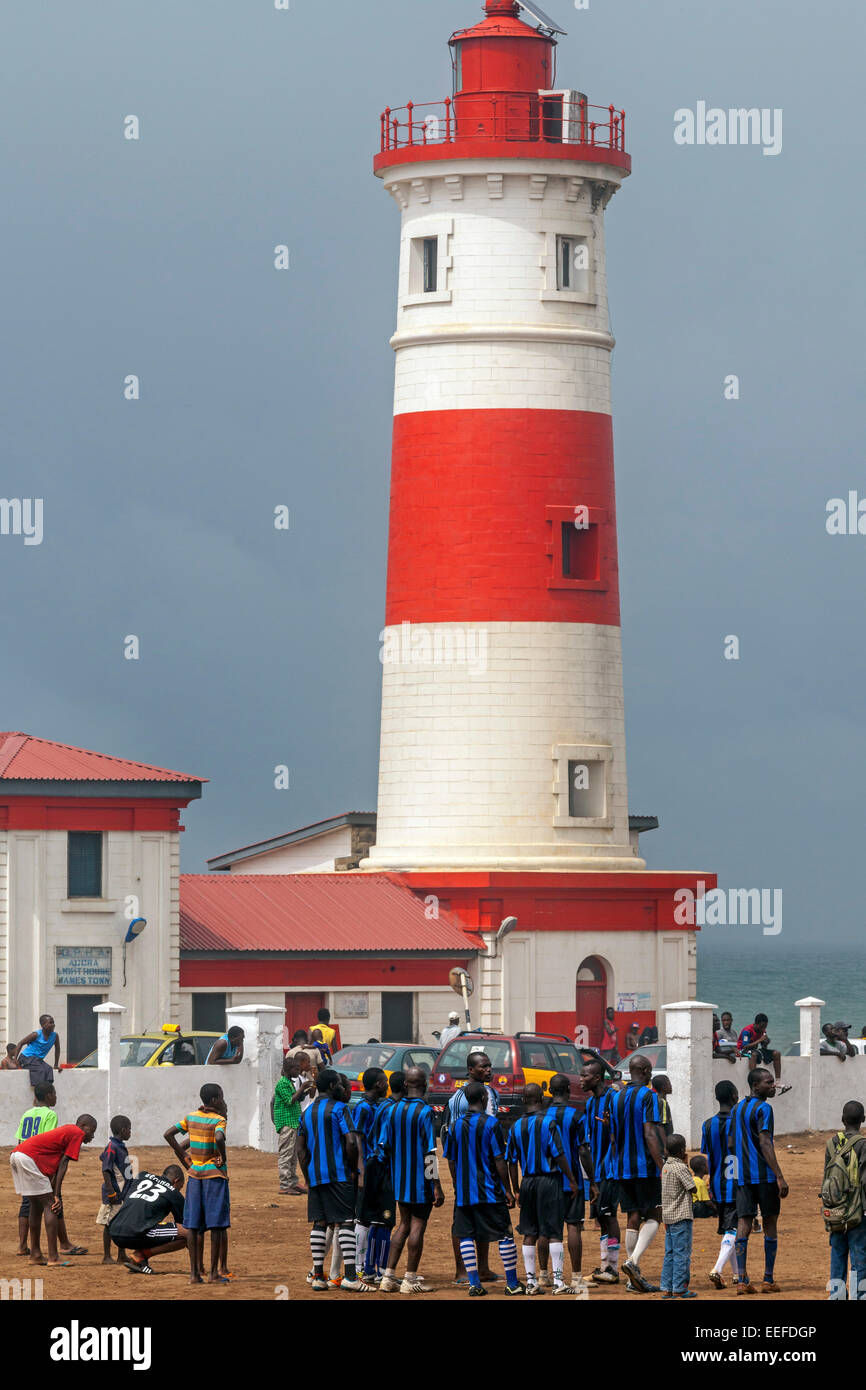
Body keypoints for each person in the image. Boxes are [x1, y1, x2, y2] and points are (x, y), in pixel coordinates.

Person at [442, 1080, 524, 1296]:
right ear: (483, 1098)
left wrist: (457, 1184)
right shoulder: (491, 1124)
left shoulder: (455, 1126)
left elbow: (451, 1160)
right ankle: (512, 1283)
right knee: (505, 1235)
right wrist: (507, 1189)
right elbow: (499, 1159)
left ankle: (475, 1284)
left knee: (466, 1235)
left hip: (465, 1192)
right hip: (490, 1191)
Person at [297, 1067, 372, 1292]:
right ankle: (350, 1276)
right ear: (332, 1086)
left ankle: (318, 1276)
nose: (341, 1087)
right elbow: (351, 1142)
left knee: (319, 1223)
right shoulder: (340, 1108)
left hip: (316, 1175)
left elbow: (300, 1151)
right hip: (339, 1174)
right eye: (339, 1083)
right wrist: (353, 1169)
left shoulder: (306, 1112)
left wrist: (308, 1177)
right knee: (346, 1221)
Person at [505, 1082, 576, 1296]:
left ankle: (531, 1282)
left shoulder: (515, 1126)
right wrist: (571, 1179)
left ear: (523, 1100)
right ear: (542, 1099)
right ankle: (558, 1282)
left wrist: (516, 1188)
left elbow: (511, 1161)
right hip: (549, 1181)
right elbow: (559, 1154)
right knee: (553, 1231)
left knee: (529, 1232)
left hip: (527, 1182)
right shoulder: (549, 1122)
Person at [379, 1066, 444, 1293]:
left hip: (400, 1180)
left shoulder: (392, 1110)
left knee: (404, 1225)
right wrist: (436, 1185)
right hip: (420, 1182)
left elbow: (384, 1146)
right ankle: (409, 1279)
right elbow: (429, 1152)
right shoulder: (425, 1112)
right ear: (425, 1085)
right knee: (418, 1225)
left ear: (405, 1084)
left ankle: (388, 1276)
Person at [608, 1053, 665, 1294]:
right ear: (644, 1071)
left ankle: (633, 1280)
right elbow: (650, 1133)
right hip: (644, 1166)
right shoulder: (648, 1095)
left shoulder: (616, 1097)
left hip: (622, 1166)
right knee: (655, 1214)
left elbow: (612, 1136)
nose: (651, 1074)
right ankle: (633, 1261)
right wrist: (662, 1166)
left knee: (632, 1216)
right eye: (649, 1070)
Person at [443, 1050, 500, 1285]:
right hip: (467, 1171)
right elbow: (451, 1137)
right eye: (483, 1066)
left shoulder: (492, 1093)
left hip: (487, 1170)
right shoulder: (459, 1099)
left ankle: (483, 1268)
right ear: (470, 1070)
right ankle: (461, 1271)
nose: (488, 1070)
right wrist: (456, 1179)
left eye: (489, 1065)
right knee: (462, 1222)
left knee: (484, 1218)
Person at [165, 1082, 231, 1285]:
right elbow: (219, 1137)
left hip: (194, 1176)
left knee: (193, 1226)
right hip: (214, 1176)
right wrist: (223, 1157)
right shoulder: (219, 1120)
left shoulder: (191, 1117)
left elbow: (168, 1134)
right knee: (217, 1225)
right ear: (215, 1100)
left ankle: (194, 1274)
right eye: (221, 1097)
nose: (223, 1100)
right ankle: (213, 1273)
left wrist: (184, 1156)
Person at [10, 1113, 97, 1266]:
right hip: (28, 1158)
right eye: (92, 1130)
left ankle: (36, 1255)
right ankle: (53, 1257)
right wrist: (56, 1195)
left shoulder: (67, 1132)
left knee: (36, 1205)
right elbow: (64, 1163)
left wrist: (53, 1189)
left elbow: (55, 1166)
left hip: (18, 1155)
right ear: (83, 1126)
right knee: (51, 1205)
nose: (93, 1136)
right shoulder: (77, 1133)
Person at [730, 1067, 788, 1294]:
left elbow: (731, 1143)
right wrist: (779, 1176)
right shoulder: (764, 1108)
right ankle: (768, 1279)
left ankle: (741, 1280)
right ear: (756, 1085)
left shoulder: (737, 1108)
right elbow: (765, 1142)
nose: (773, 1086)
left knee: (743, 1223)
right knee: (770, 1222)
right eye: (769, 1083)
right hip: (764, 1175)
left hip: (743, 1176)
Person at [548, 1071, 596, 1294]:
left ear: (550, 1091)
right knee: (574, 1225)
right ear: (568, 1090)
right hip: (573, 1181)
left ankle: (544, 1275)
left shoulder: (542, 1116)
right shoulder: (577, 1116)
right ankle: (576, 1277)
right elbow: (583, 1151)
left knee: (548, 1229)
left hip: (548, 1180)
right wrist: (592, 1181)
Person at [352, 1067, 396, 1283]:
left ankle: (370, 1266)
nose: (387, 1085)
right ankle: (359, 1266)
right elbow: (357, 1139)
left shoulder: (378, 1106)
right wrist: (361, 1170)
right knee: (363, 1217)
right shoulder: (363, 1107)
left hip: (379, 1167)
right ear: (378, 1084)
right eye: (384, 1081)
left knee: (376, 1218)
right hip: (369, 1167)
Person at [580, 1057, 621, 1284]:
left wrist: (610, 1129)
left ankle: (613, 1268)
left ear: (597, 1078)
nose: (581, 1079)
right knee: (601, 1218)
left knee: (609, 1216)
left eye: (585, 1076)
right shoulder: (590, 1103)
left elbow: (621, 1133)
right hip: (595, 1169)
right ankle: (605, 1265)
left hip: (610, 1168)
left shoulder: (613, 1098)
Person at [108, 1166, 191, 1274]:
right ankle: (140, 1255)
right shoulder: (174, 1193)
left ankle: (140, 1262)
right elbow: (184, 1226)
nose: (179, 1189)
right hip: (135, 1233)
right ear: (176, 1181)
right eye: (180, 1186)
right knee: (187, 1234)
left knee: (150, 1224)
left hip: (114, 1231)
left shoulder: (142, 1176)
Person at [822, 1100, 866, 1300]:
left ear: (842, 1119)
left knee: (837, 1255)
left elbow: (827, 1178)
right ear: (863, 1120)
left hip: (835, 1210)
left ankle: (837, 1296)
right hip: (858, 1211)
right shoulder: (863, 1144)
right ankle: (859, 1296)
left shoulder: (831, 1143)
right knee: (859, 1257)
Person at [702, 1079, 739, 1288]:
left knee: (729, 1228)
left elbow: (708, 1158)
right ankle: (717, 1268)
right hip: (738, 1184)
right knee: (734, 1229)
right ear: (735, 1096)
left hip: (717, 1183)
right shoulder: (740, 1122)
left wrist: (709, 1184)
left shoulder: (708, 1125)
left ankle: (737, 1274)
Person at [660, 1134, 697, 1299]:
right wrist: (686, 1164)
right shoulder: (680, 1167)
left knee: (670, 1253)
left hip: (668, 1216)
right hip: (681, 1216)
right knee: (682, 1254)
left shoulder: (666, 1166)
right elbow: (693, 1188)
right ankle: (680, 1288)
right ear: (682, 1151)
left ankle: (667, 1288)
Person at [272, 1054, 311, 1195]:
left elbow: (296, 1099)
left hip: (293, 1122)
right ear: (288, 1070)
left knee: (293, 1155)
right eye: (296, 1069)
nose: (298, 1072)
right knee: (286, 1154)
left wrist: (305, 1091)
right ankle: (285, 1184)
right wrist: (302, 1088)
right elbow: (290, 1100)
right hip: (287, 1122)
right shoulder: (282, 1083)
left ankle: (292, 1182)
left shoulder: (288, 1082)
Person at [97, 1115, 133, 1264]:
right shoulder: (112, 1147)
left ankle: (121, 1255)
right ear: (123, 1130)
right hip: (114, 1194)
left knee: (121, 1223)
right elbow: (106, 1169)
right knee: (109, 1224)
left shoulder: (118, 1146)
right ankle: (106, 1256)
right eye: (129, 1129)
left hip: (122, 1193)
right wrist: (111, 1191)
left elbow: (103, 1157)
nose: (130, 1132)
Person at [14, 1014, 61, 1088]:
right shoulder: (36, 1034)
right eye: (50, 1023)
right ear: (43, 1025)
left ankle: (46, 1090)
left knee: (49, 1070)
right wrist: (15, 1059)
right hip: (26, 1058)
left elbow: (57, 1049)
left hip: (38, 1060)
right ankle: (38, 1091)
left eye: (53, 1023)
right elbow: (20, 1043)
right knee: (40, 1070)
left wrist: (56, 1065)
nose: (53, 1025)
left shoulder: (55, 1036)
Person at [736, 1014, 781, 1080]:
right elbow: (745, 1046)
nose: (763, 1029)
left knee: (776, 1053)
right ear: (756, 1024)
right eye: (762, 1026)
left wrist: (766, 1042)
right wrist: (759, 1040)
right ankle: (754, 1080)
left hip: (754, 1050)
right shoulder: (747, 1031)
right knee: (753, 1055)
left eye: (765, 1027)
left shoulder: (763, 1031)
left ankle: (778, 1080)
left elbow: (764, 1047)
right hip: (741, 1051)